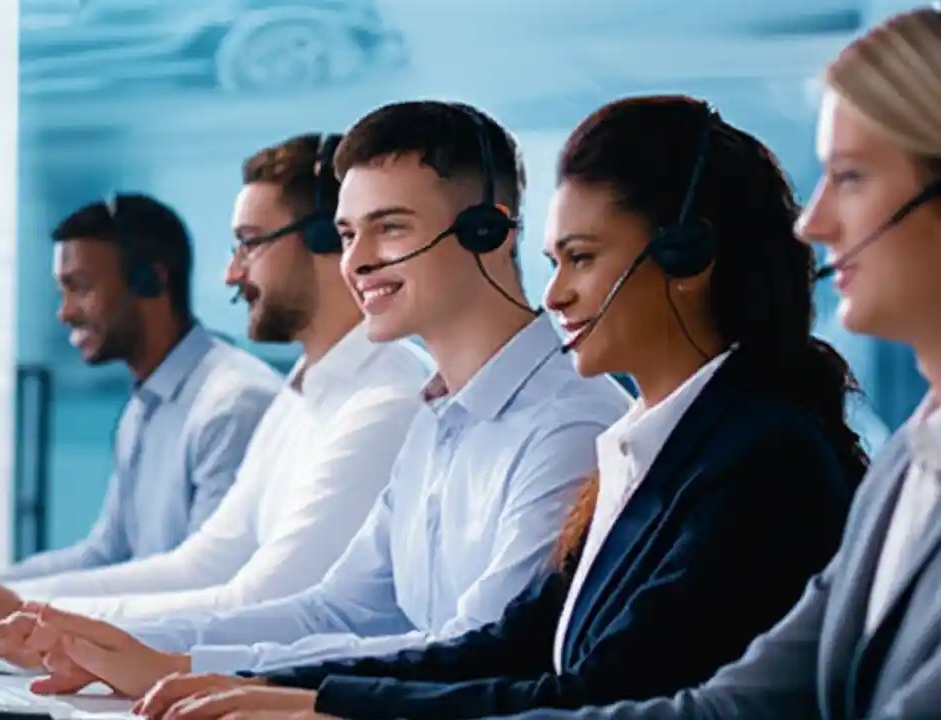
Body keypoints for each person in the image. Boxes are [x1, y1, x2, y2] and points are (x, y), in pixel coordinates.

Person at [121, 95, 872, 720]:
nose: (556, 295)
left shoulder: (758, 459)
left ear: (684, 259)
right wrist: (277, 689)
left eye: (582, 259)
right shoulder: (648, 451)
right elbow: (512, 644)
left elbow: (596, 694)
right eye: (555, 262)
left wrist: (320, 706)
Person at [0, 101, 631, 696]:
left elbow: (473, 656)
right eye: (346, 235)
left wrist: (185, 668)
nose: (357, 262)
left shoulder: (567, 424)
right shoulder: (436, 416)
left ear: (491, 231)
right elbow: (333, 610)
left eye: (389, 228)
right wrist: (123, 646)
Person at [510, 8, 941, 719]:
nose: (815, 222)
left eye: (852, 176)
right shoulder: (908, 465)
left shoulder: (769, 457)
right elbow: (728, 708)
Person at [0, 133, 433, 624]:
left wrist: (22, 615)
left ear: (328, 241)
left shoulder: (383, 403)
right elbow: (206, 563)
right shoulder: (301, 395)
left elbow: (262, 604)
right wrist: (5, 607)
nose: (231, 274)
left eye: (249, 244)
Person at [0, 193, 282, 642]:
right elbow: (104, 554)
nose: (65, 311)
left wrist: (14, 610)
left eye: (80, 287)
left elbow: (210, 581)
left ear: (151, 281)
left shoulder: (232, 406)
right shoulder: (145, 404)